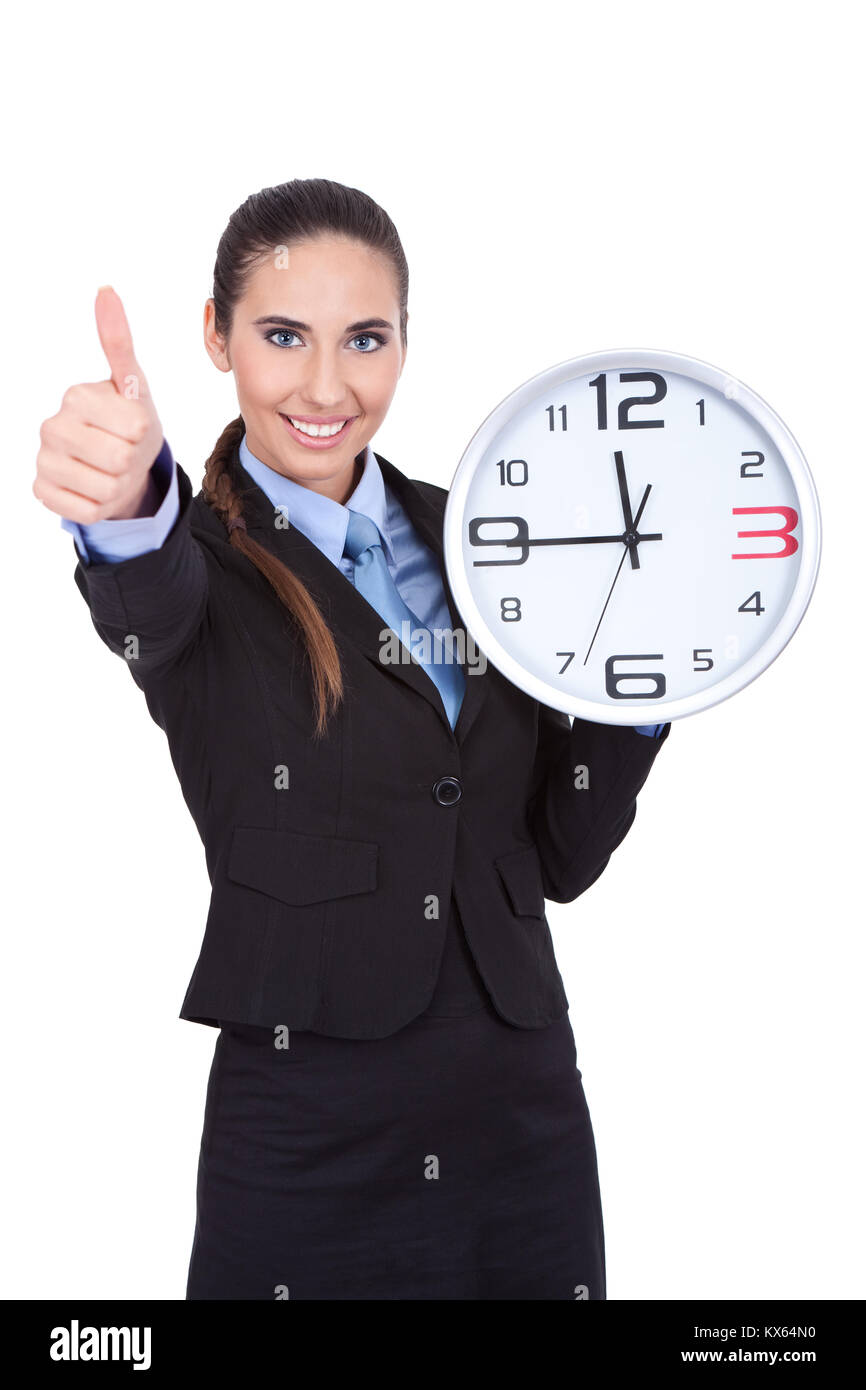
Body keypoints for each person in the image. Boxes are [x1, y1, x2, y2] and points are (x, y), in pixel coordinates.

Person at [35, 178, 670, 1301]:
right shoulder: (199, 557)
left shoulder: (482, 534)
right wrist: (124, 496)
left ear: (403, 345)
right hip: (307, 1116)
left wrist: (644, 674)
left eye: (363, 339)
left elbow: (558, 856)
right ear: (214, 337)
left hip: (519, 1104)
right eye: (282, 335)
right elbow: (148, 588)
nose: (325, 386)